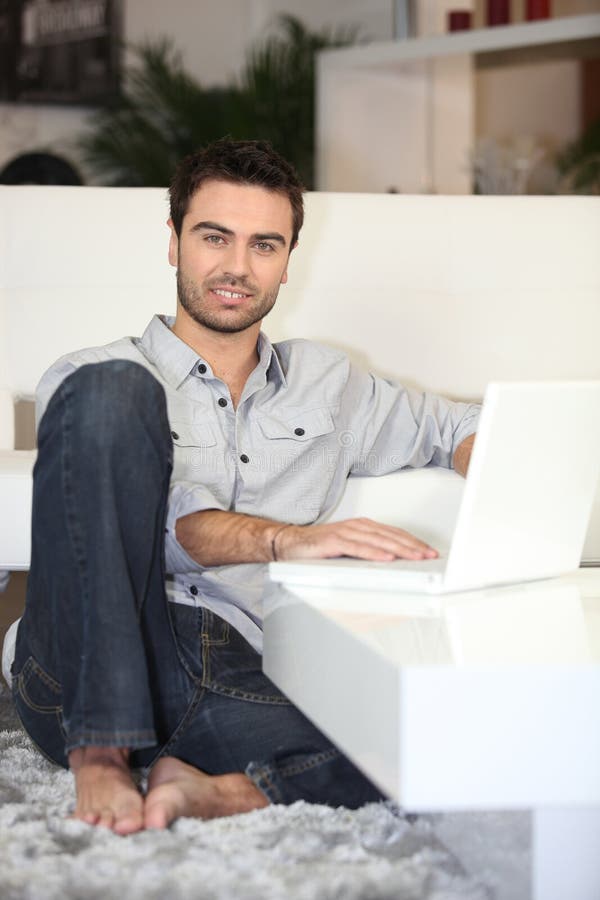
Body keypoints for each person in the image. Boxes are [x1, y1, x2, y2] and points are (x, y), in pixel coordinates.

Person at [9, 139, 479, 835]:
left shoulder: (331, 383)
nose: (236, 267)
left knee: (441, 737)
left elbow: (459, 425)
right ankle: (103, 752)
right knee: (114, 394)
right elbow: (165, 522)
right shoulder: (92, 379)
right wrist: (287, 540)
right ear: (173, 243)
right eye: (214, 238)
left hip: (233, 666)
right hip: (87, 659)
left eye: (264, 245)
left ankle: (223, 793)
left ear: (289, 260)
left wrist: (501, 490)